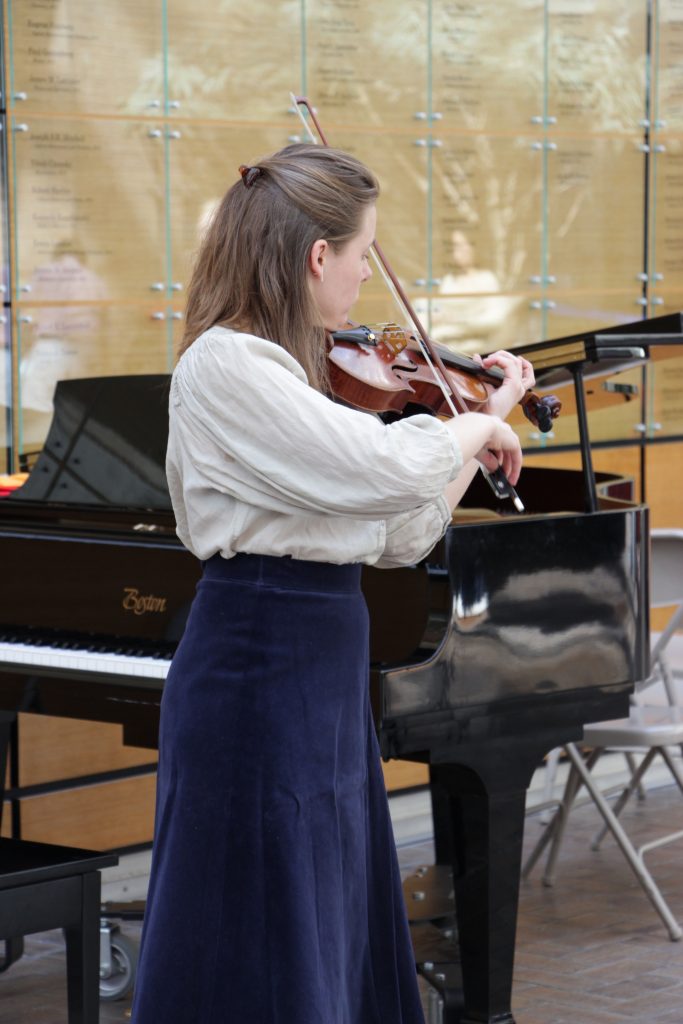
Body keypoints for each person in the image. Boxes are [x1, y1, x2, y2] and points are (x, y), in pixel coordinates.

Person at [131, 143, 533, 1024]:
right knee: (258, 925)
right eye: (360, 260)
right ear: (318, 256)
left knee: (321, 915)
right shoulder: (226, 365)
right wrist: (463, 431)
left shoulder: (287, 372)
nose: (360, 285)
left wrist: (483, 421)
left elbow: (396, 530)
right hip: (256, 668)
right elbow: (382, 468)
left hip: (314, 667)